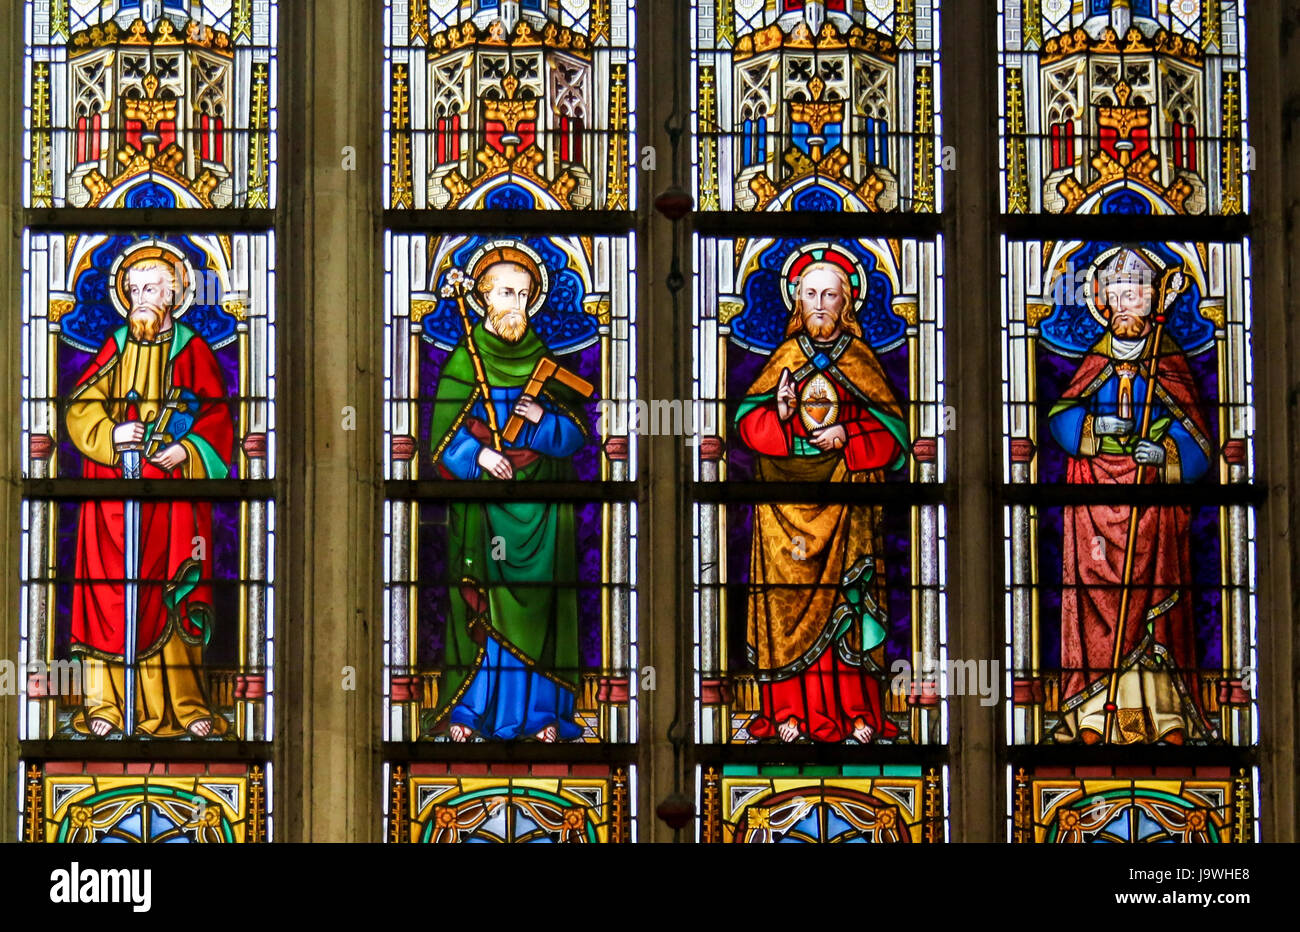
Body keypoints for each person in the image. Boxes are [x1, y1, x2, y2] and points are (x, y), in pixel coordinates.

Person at [734, 257, 909, 743]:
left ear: (847, 302)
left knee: (847, 607)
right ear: (796, 300)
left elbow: (895, 436)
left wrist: (848, 434)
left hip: (847, 503)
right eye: (810, 294)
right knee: (785, 604)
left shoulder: (860, 360)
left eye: (830, 295)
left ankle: (857, 713)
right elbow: (747, 427)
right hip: (783, 509)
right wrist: (783, 415)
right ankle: (787, 712)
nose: (819, 305)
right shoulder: (785, 357)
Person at [1048, 247, 1215, 745]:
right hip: (1094, 505)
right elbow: (1060, 420)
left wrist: (1164, 451)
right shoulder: (1094, 361)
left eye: (1136, 294)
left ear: (1149, 302)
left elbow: (1201, 445)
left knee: (1152, 609)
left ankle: (1163, 717)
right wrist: (1097, 427)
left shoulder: (1169, 362)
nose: (1126, 304)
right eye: (1116, 295)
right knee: (1096, 605)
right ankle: (1094, 716)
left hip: (1152, 505)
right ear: (1103, 303)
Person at [65, 244, 233, 738]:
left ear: (177, 291)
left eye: (152, 288)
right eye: (134, 289)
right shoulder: (115, 347)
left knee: (171, 589)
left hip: (174, 498)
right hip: (112, 499)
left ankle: (185, 705)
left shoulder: (193, 350)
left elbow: (218, 417)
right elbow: (80, 408)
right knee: (108, 596)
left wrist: (189, 450)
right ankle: (106, 707)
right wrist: (112, 436)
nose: (141, 297)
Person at [427, 243, 590, 742]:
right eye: (505, 293)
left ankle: (543, 716)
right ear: (483, 299)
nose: (515, 303)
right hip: (484, 507)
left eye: (523, 294)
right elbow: (440, 440)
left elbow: (577, 435)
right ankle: (474, 712)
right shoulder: (465, 361)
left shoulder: (544, 362)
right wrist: (479, 456)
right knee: (488, 606)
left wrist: (541, 423)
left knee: (541, 610)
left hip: (541, 507)